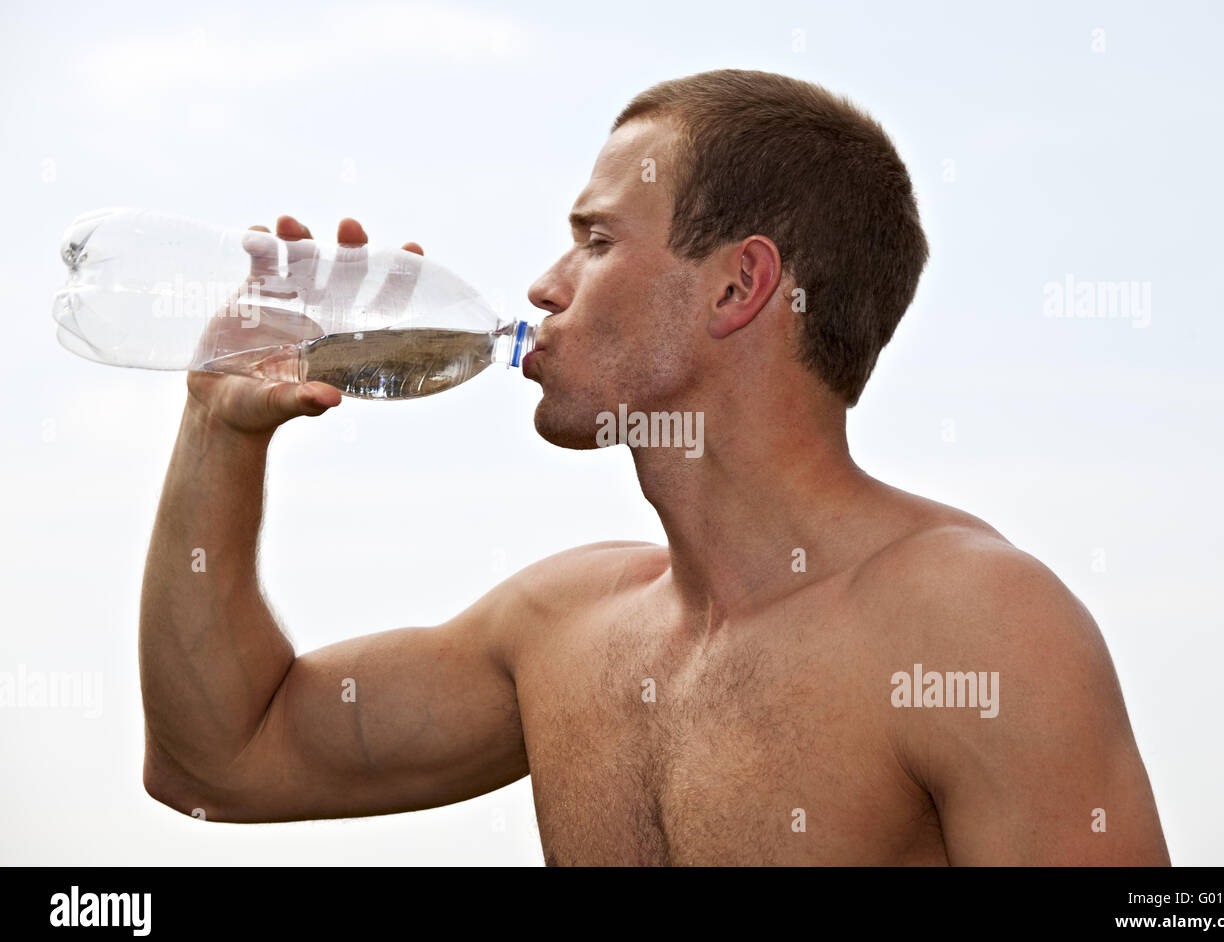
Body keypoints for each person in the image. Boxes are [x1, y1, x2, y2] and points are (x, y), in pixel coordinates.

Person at [140, 69, 1170, 865]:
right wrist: (216, 430)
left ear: (737, 287)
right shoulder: (564, 624)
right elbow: (218, 759)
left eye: (594, 239)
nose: (543, 285)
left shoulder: (977, 623)